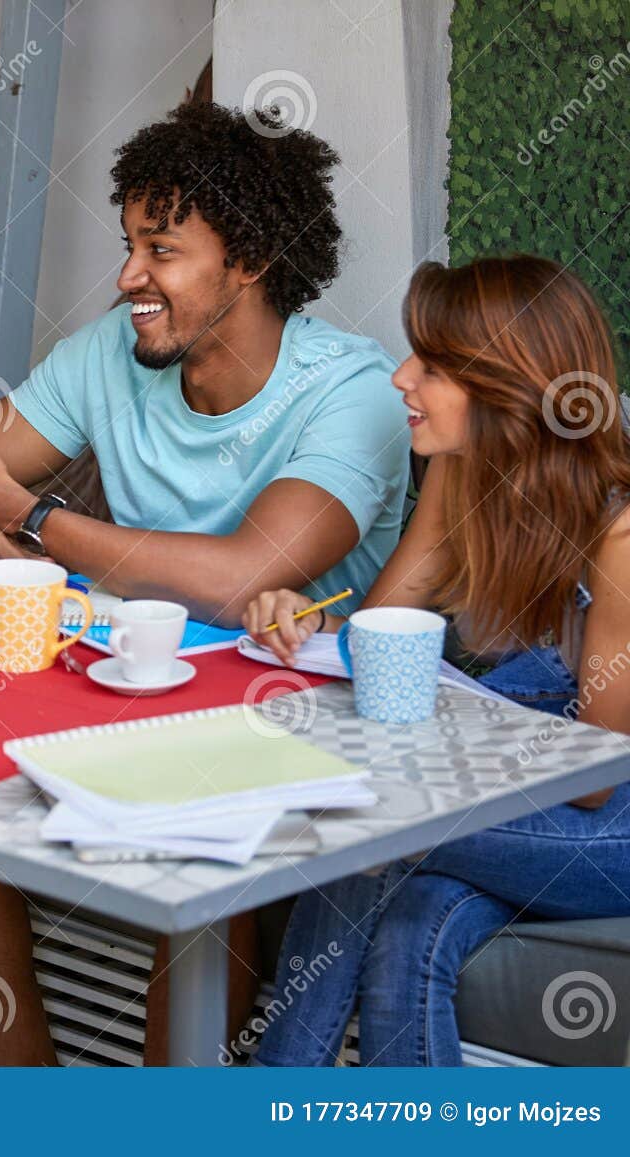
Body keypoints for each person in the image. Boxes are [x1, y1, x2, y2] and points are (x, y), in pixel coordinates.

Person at [0, 102, 412, 1064]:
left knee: (195, 834)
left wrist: (27, 516)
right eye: (128, 245)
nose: (127, 279)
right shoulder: (108, 356)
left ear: (246, 260)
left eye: (160, 250)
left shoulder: (349, 395)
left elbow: (248, 581)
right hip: (125, 685)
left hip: (288, 714)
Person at [245, 254, 630, 1066]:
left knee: (366, 828)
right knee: (414, 926)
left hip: (608, 825)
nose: (400, 377)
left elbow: (591, 776)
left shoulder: (620, 537)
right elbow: (376, 633)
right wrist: (294, 614)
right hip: (513, 787)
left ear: (505, 388)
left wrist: (419, 783)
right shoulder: (461, 472)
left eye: (434, 365)